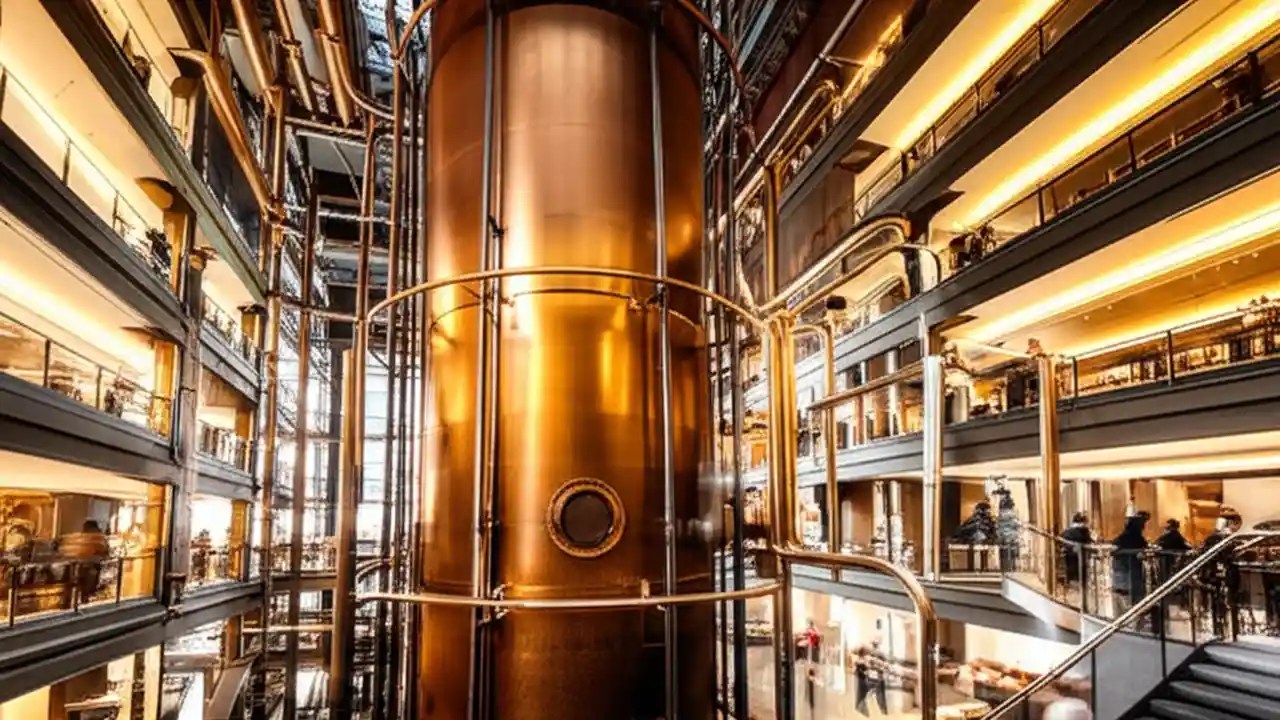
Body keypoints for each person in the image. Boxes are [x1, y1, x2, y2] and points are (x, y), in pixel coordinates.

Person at [1111, 514, 1150, 613]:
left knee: (1123, 598)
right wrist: (1138, 551)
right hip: (1131, 572)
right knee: (1132, 598)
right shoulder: (1136, 538)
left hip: (1123, 572)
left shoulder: (1123, 537)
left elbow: (1114, 549)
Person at [994, 490, 1020, 572]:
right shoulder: (1011, 511)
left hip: (1005, 533)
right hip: (1010, 533)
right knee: (1010, 550)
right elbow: (1015, 523)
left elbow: (999, 522)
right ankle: (1011, 567)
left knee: (1005, 550)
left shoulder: (1003, 509)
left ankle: (1006, 567)